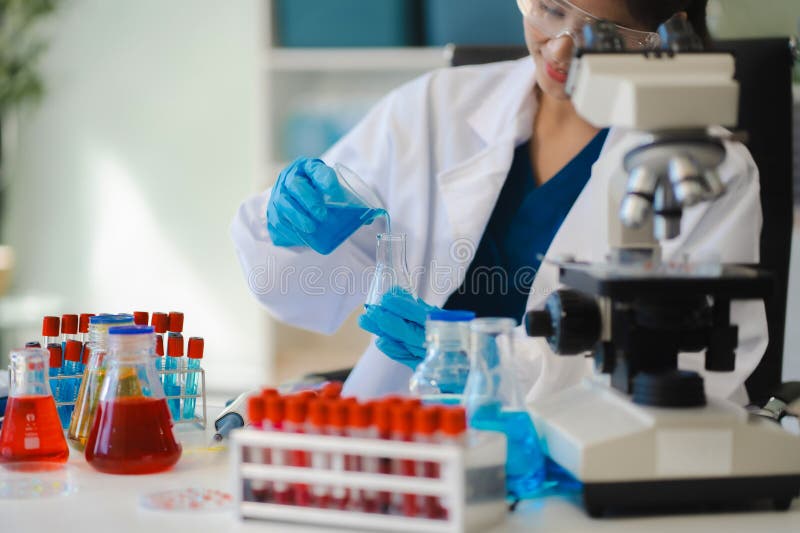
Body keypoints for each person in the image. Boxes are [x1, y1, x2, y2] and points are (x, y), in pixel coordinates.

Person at [231, 0, 766, 403]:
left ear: (656, 37)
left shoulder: (696, 163)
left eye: (601, 37)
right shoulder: (434, 107)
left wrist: (499, 364)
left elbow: (702, 370)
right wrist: (292, 227)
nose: (558, 48)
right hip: (409, 435)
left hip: (579, 460)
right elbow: (300, 287)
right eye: (551, 9)